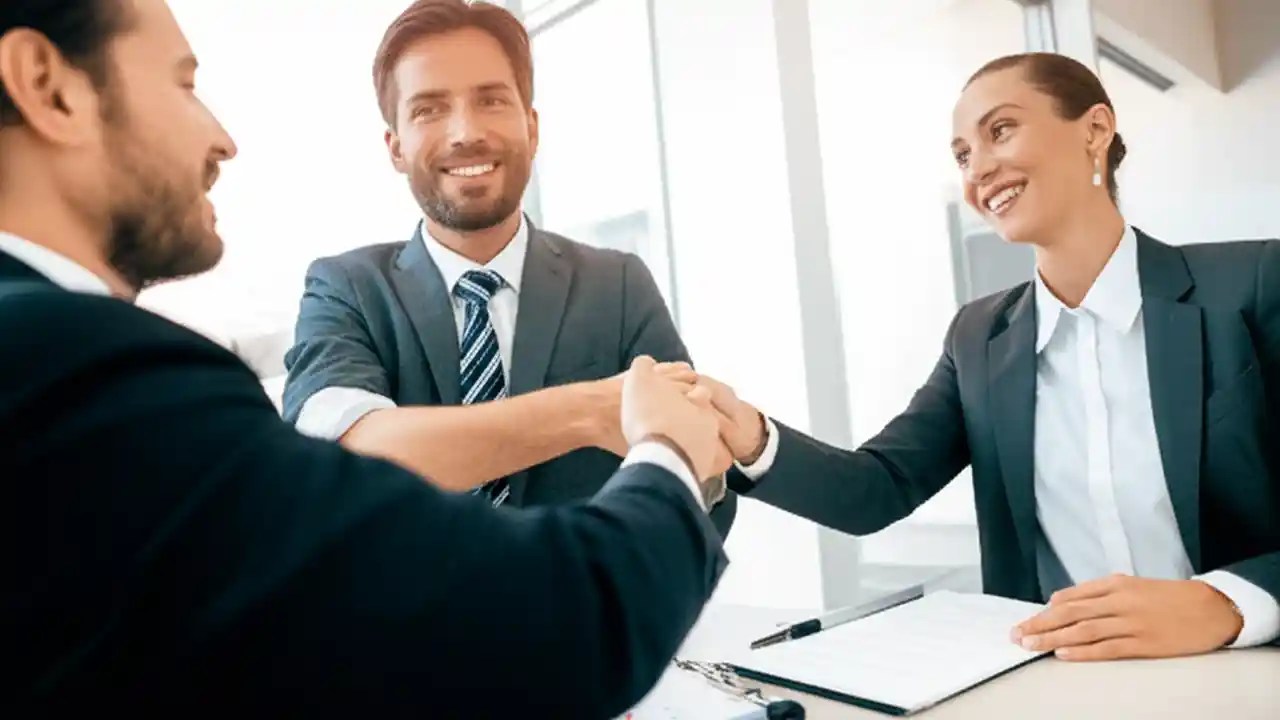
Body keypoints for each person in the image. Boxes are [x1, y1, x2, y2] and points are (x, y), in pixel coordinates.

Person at [0, 0, 731, 714]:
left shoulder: (617, 279)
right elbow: (564, 621)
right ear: (46, 85)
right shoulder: (93, 368)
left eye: (491, 101)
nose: (223, 139)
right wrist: (658, 443)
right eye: (183, 83)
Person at [698, 52, 1280, 660]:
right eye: (962, 156)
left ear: (1096, 130)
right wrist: (749, 438)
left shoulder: (1253, 285)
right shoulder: (977, 339)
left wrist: (1229, 602)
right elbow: (878, 488)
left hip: (1241, 677)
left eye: (1000, 130)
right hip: (1060, 687)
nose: (979, 169)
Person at [279, 0, 737, 536]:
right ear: (395, 146)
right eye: (428, 109)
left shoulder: (617, 284)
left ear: (532, 126)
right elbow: (343, 458)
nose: (464, 132)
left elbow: (698, 472)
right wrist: (592, 409)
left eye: (491, 100)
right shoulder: (345, 289)